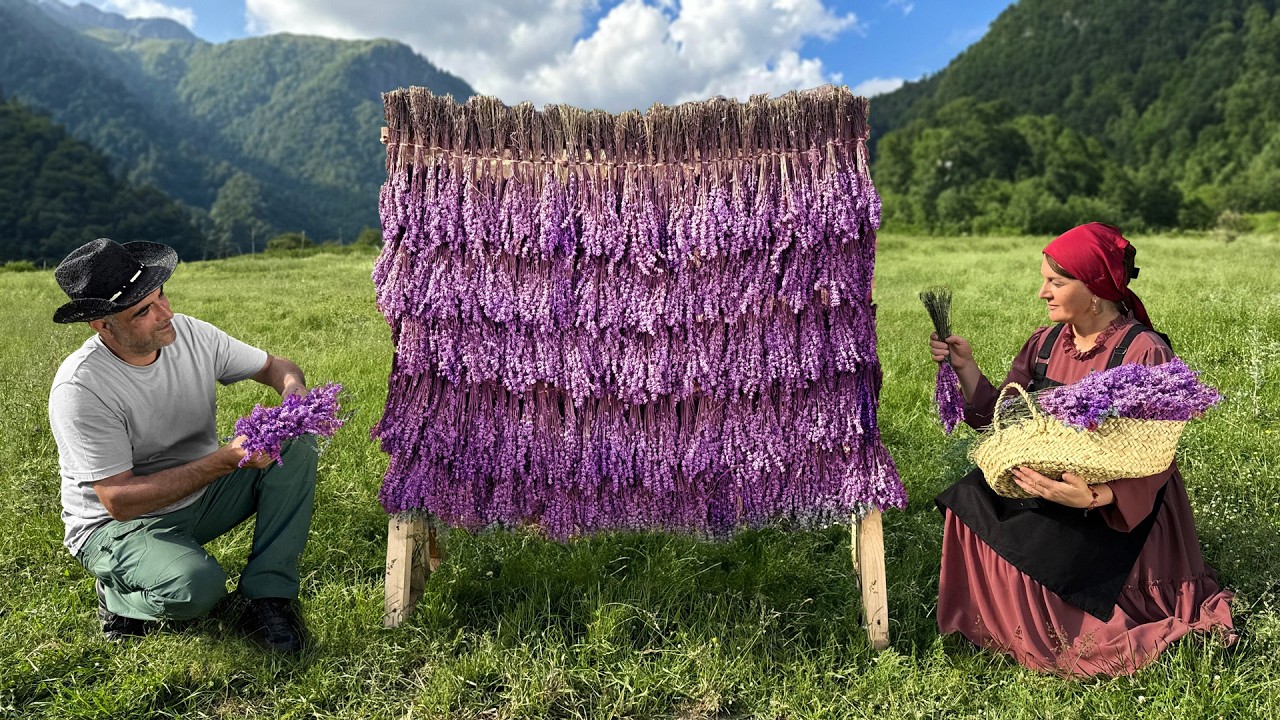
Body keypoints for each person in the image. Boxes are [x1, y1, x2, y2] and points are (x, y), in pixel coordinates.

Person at [930, 222, 1235, 677]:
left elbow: (1157, 452)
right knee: (969, 497)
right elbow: (1004, 416)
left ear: (1093, 289)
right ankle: (996, 620)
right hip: (1055, 473)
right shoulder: (1046, 342)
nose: (1042, 293)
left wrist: (1093, 497)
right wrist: (966, 367)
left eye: (1056, 282)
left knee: (1046, 540)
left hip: (1123, 497)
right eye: (1044, 280)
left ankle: (1064, 631)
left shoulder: (1143, 351)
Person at [48, 238, 318, 653]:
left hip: (198, 495)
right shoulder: (81, 387)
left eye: (162, 297)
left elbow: (273, 366)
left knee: (294, 446)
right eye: (144, 310)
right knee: (197, 589)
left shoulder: (191, 334)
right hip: (116, 527)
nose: (166, 314)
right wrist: (226, 460)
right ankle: (118, 600)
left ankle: (269, 597)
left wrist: (294, 390)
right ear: (103, 325)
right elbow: (119, 500)